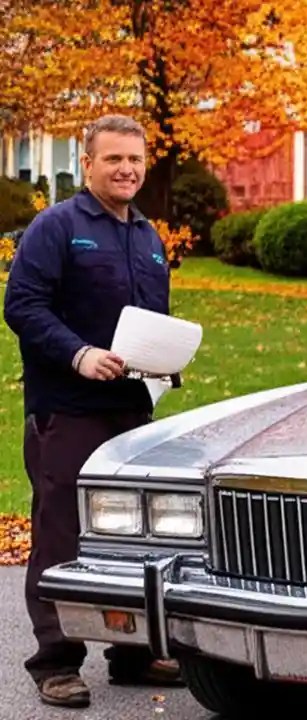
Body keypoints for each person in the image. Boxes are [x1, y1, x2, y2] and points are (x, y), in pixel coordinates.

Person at [4, 114, 184, 708]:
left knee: (134, 534)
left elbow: (150, 321)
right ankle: (55, 661)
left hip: (132, 412)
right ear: (88, 164)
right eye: (114, 159)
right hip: (68, 409)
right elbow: (22, 306)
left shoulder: (148, 237)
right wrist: (78, 354)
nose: (126, 169)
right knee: (62, 533)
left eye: (135, 159)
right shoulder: (57, 226)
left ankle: (132, 654)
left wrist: (165, 362)